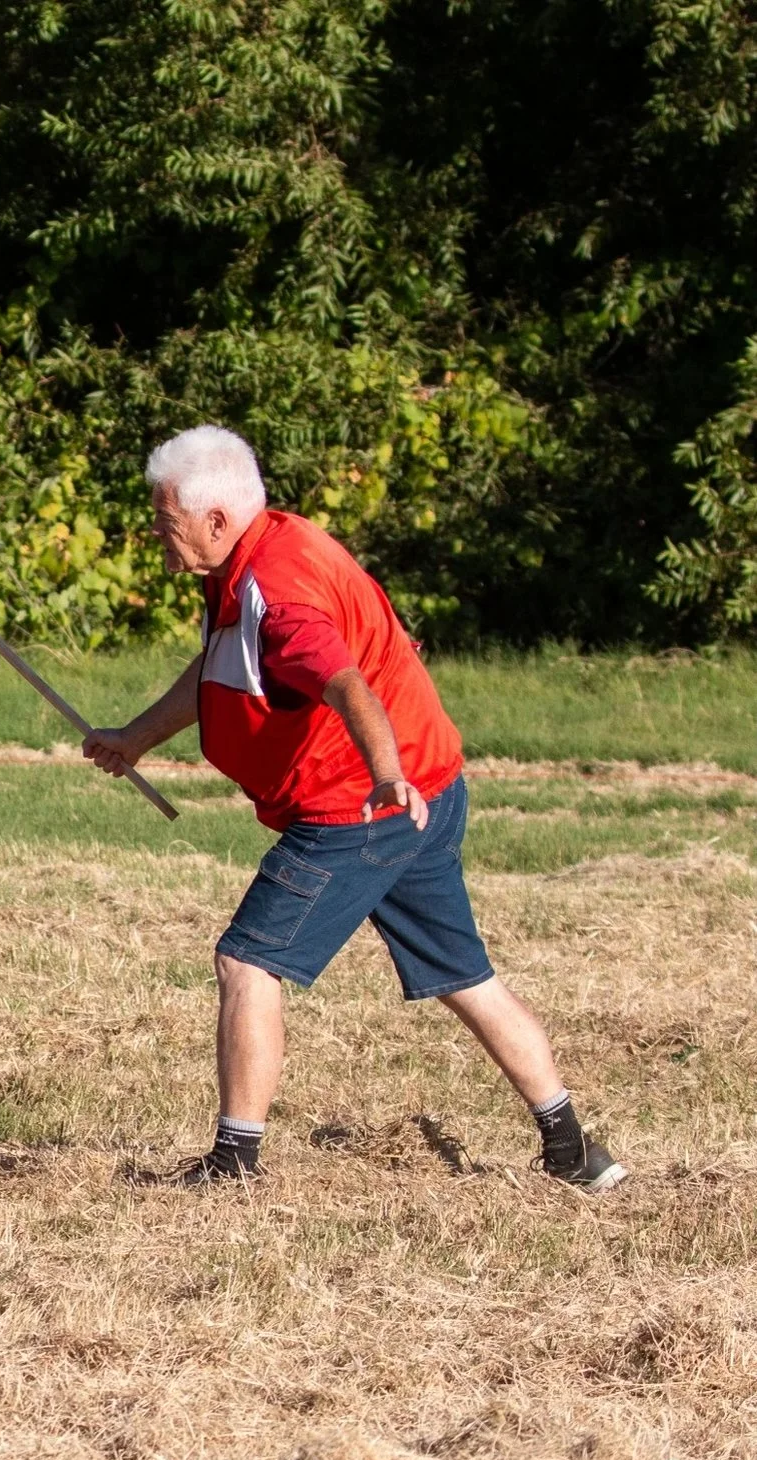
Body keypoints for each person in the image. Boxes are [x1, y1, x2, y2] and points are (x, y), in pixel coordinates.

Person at [82, 426, 625, 1191]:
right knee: (464, 975)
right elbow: (220, 664)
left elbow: (343, 683)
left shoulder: (281, 594)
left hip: (362, 809)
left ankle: (235, 1164)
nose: (157, 539)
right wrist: (136, 737)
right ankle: (573, 1150)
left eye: (165, 523)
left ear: (214, 520)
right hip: (423, 793)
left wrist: (383, 773)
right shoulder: (261, 553)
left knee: (247, 962)